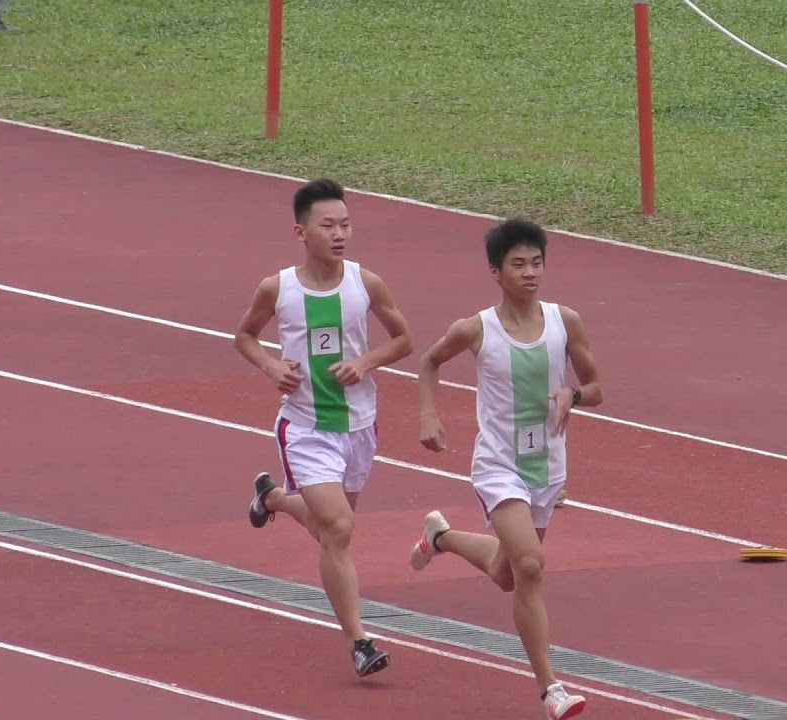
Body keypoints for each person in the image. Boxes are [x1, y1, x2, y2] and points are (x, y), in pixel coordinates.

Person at [409, 217, 601, 720]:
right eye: (518, 264)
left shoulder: (566, 322)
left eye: (537, 262)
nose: (530, 272)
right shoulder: (476, 329)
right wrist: (429, 415)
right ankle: (551, 691)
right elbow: (428, 361)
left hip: (548, 468)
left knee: (508, 575)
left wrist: (572, 394)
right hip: (498, 465)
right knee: (532, 567)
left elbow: (597, 388)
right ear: (496, 272)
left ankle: (440, 539)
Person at [233, 177, 414, 679]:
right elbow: (244, 336)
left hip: (358, 426)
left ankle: (271, 498)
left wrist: (365, 362)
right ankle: (360, 641)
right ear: (301, 232)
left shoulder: (365, 283)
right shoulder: (279, 289)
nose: (339, 234)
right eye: (327, 225)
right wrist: (271, 367)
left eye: (346, 224)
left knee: (327, 528)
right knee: (337, 529)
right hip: (306, 428)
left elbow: (403, 339)